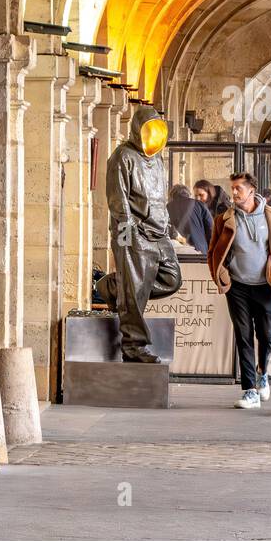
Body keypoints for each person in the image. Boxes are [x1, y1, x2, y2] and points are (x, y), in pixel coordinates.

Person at [94, 105, 183, 363]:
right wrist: (127, 235)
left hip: (158, 232)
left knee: (172, 279)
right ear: (137, 129)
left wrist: (166, 226)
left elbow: (159, 196)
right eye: (149, 130)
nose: (153, 136)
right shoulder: (122, 157)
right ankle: (134, 346)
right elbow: (117, 201)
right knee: (134, 289)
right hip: (132, 233)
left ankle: (112, 286)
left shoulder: (156, 160)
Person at [207, 172, 271, 409]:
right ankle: (249, 391)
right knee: (243, 335)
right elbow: (213, 251)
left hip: (266, 286)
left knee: (267, 334)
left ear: (251, 189)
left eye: (238, 188)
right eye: (232, 188)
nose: (233, 192)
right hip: (237, 286)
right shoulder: (223, 219)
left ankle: (262, 372)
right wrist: (220, 275)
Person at [168, 183, 213, 253]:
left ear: (172, 196)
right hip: (199, 251)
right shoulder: (200, 205)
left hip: (176, 252)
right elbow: (211, 229)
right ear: (188, 194)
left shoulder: (167, 208)